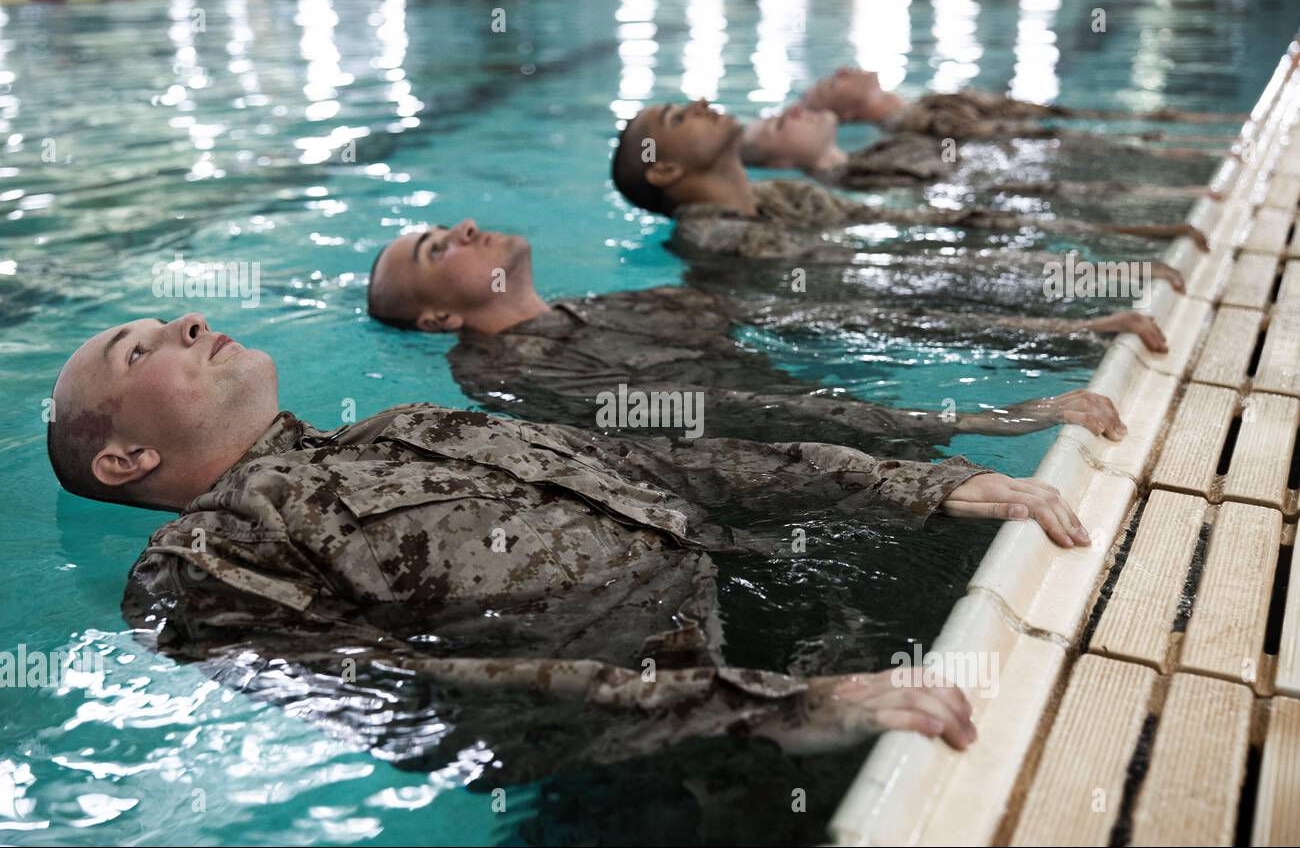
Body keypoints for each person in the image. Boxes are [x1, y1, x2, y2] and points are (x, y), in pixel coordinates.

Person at [48, 314, 1095, 776]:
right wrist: (768, 710)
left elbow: (671, 463)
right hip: (684, 748)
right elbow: (409, 700)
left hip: (803, 592)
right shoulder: (195, 565)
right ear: (124, 457)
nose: (188, 320)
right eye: (139, 348)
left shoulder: (409, 420)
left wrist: (921, 484)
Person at [367, 222, 1168, 457]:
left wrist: (1058, 333)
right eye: (438, 250)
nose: (466, 228)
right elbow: (722, 417)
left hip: (859, 439)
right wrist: (992, 419)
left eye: (450, 227)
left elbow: (833, 319)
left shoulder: (617, 303)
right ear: (437, 319)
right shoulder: (510, 376)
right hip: (811, 498)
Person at [610, 99, 1209, 262]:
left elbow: (915, 227)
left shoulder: (781, 196)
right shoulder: (714, 242)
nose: (702, 100)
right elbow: (884, 285)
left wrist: (1129, 230)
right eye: (679, 117)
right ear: (665, 170)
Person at [739, 103, 1217, 201]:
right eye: (781, 124)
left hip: (1048, 169)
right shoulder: (852, 186)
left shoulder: (874, 156)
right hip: (1054, 185)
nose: (796, 110)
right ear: (781, 163)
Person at [800, 66, 1242, 140]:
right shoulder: (910, 123)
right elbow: (1024, 138)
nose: (840, 69)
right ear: (851, 114)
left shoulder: (918, 107)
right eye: (829, 85)